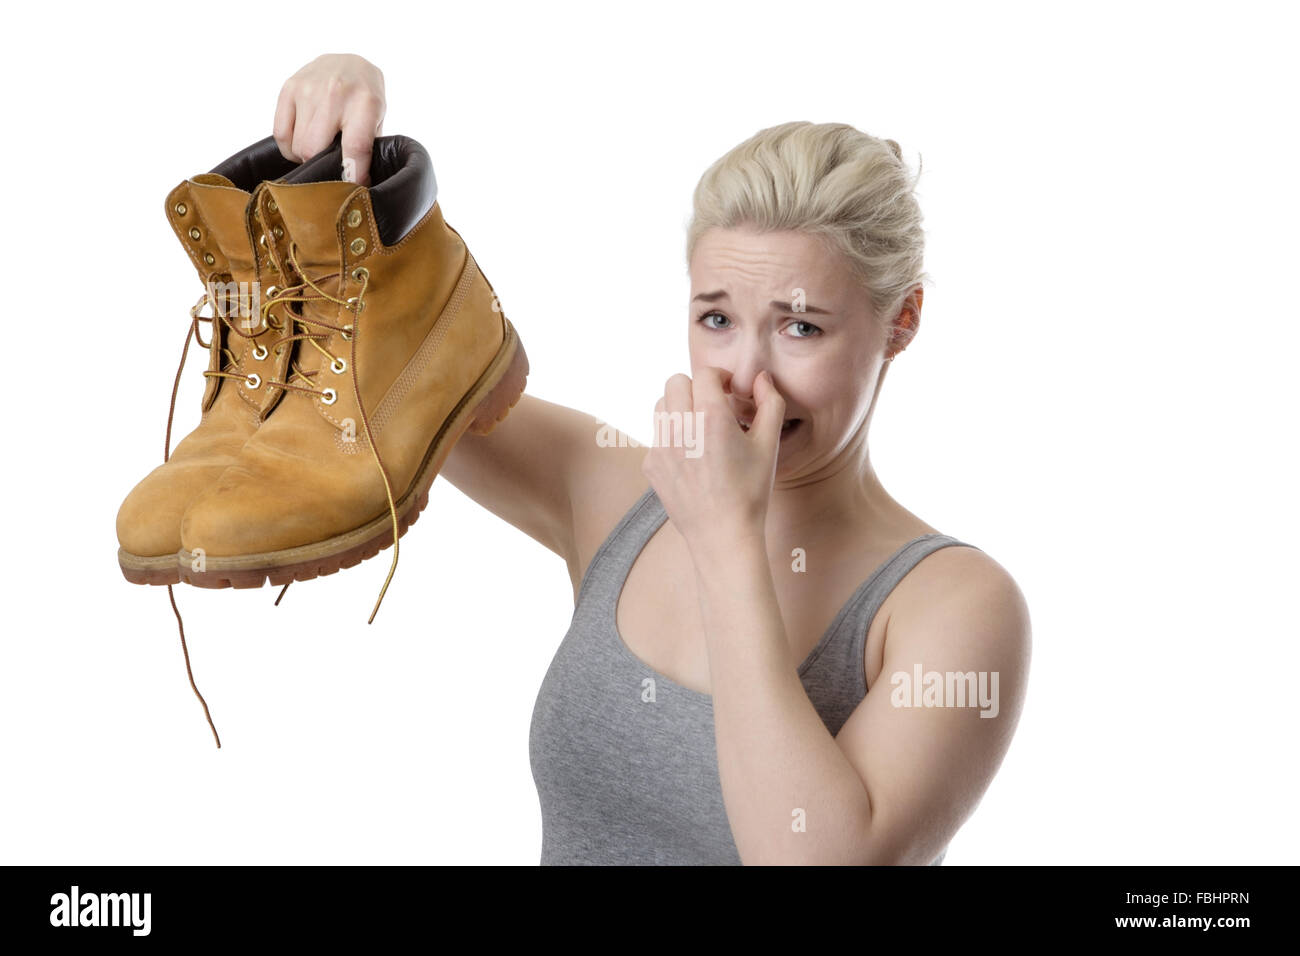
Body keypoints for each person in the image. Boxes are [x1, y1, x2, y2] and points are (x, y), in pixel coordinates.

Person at [274, 53, 1032, 865]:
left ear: (901, 322)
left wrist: (724, 536)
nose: (745, 377)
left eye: (801, 327)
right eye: (716, 320)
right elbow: (393, 380)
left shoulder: (954, 606)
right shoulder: (614, 491)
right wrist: (349, 148)